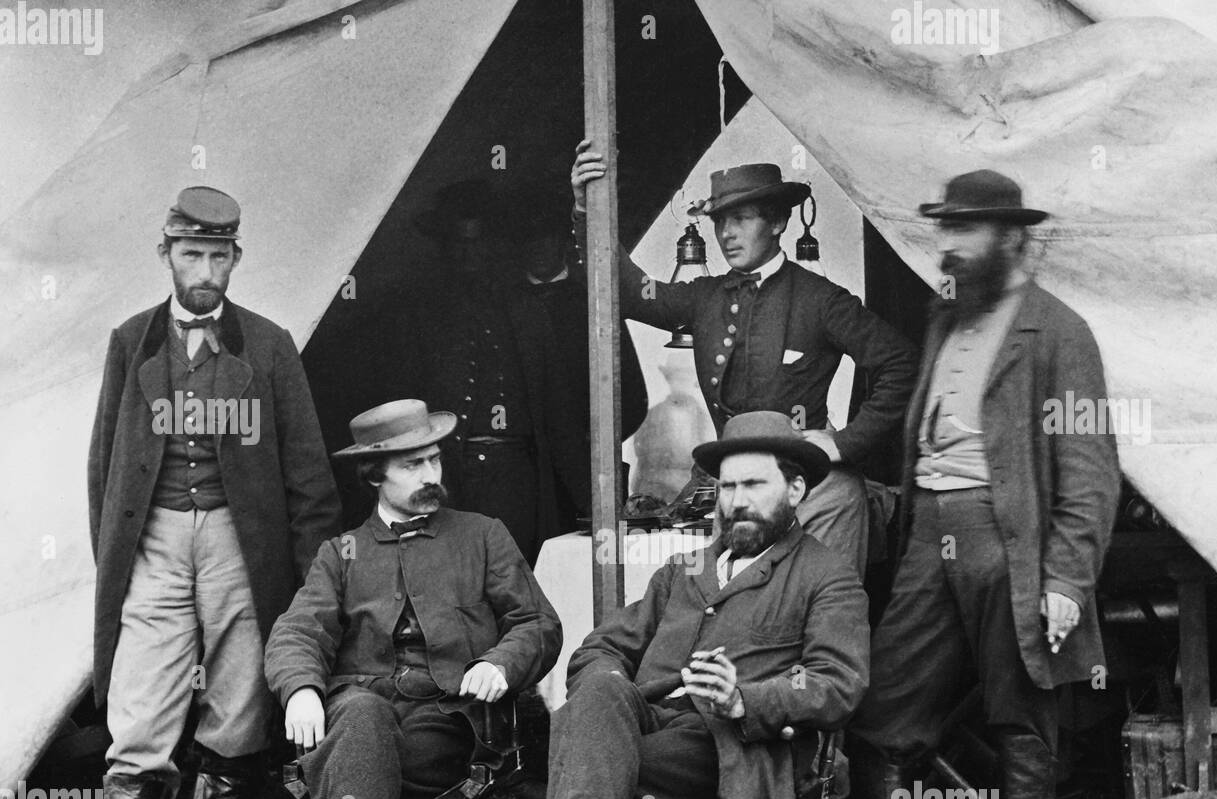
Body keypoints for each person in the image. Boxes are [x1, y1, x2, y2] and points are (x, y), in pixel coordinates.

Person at [797, 171, 1122, 799]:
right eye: (944, 227)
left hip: (1009, 540)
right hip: (929, 531)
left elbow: (1089, 471)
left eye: (967, 229)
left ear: (1012, 238)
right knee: (881, 705)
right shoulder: (945, 318)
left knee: (1022, 714)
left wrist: (1067, 581)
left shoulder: (1060, 332)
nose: (949, 244)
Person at [474, 411, 871, 799]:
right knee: (595, 699)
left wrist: (748, 698)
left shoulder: (826, 577)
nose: (736, 502)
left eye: (754, 486)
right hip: (645, 736)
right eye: (727, 488)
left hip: (733, 755)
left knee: (588, 762)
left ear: (795, 490)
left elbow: (837, 683)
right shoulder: (683, 571)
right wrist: (609, 690)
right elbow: (599, 647)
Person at [60, 187, 340, 799]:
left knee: (239, 718)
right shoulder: (131, 342)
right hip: (152, 544)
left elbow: (310, 480)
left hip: (238, 546)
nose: (207, 271)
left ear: (236, 259)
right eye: (193, 255)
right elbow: (104, 467)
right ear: (167, 255)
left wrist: (304, 588)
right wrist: (120, 555)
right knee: (137, 722)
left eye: (220, 256)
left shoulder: (271, 347)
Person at [263, 400, 561, 799]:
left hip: (446, 724)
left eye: (433, 457)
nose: (431, 471)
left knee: (352, 780)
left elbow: (538, 622)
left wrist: (502, 664)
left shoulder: (482, 534)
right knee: (359, 720)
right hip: (355, 711)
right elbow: (296, 630)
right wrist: (300, 692)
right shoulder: (339, 554)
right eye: (412, 463)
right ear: (374, 474)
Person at [571, 142, 918, 577]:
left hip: (814, 493)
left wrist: (844, 444)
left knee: (819, 606)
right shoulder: (705, 297)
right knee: (734, 610)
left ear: (777, 221)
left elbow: (901, 363)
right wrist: (590, 212)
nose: (726, 234)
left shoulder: (821, 300)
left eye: (741, 219)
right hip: (735, 492)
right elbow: (626, 292)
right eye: (720, 221)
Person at [388, 180, 586, 564]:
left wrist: (590, 503)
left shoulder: (528, 311)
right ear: (445, 246)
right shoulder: (420, 316)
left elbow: (559, 413)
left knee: (517, 579)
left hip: (519, 482)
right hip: (447, 476)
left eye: (477, 242)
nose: (469, 254)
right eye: (459, 243)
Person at [513, 191, 648, 527]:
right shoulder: (505, 308)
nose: (539, 246)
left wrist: (595, 439)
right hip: (527, 474)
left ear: (562, 238)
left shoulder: (595, 302)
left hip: (589, 468)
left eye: (547, 235)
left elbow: (631, 394)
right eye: (530, 237)